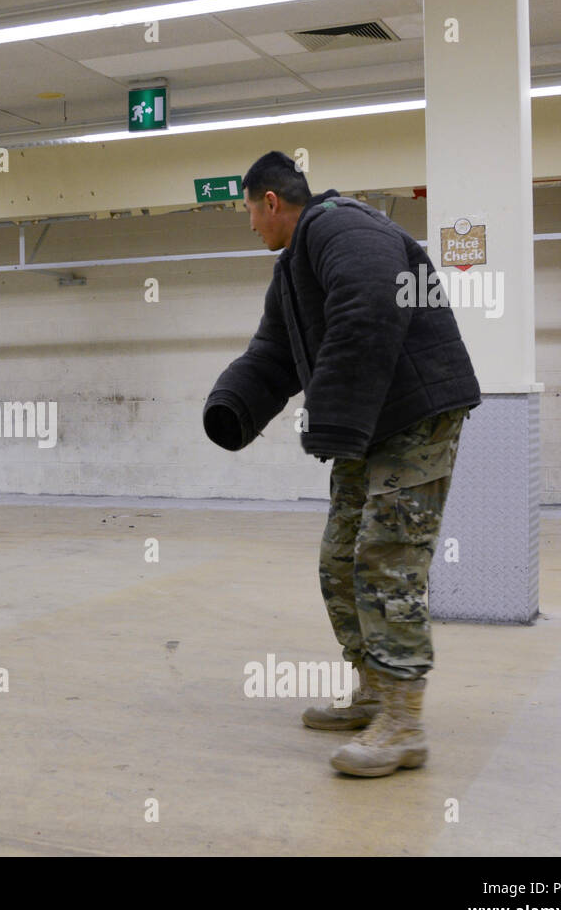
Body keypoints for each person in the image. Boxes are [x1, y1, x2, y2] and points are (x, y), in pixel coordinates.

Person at [203, 151, 482, 777]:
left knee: (388, 560)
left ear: (270, 202)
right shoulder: (293, 270)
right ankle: (374, 692)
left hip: (414, 415)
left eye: (248, 210)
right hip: (369, 425)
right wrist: (233, 406)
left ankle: (404, 725)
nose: (249, 225)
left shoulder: (341, 226)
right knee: (339, 560)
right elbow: (274, 353)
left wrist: (330, 416)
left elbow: (368, 308)